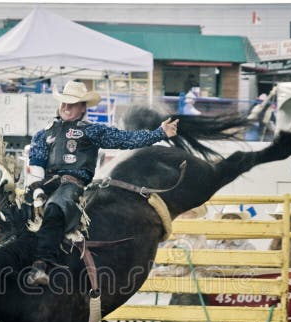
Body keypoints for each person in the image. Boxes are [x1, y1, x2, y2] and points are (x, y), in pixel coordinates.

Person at [25, 80, 179, 286]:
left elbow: (124, 139)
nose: (65, 107)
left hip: (71, 186)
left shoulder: (92, 131)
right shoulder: (45, 132)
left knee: (55, 208)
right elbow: (36, 160)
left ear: (82, 108)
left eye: (71, 104)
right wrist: (35, 187)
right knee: (14, 209)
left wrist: (159, 133)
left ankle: (41, 265)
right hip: (45, 183)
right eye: (64, 102)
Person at [268, 204, 291, 268]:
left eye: (283, 219)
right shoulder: (277, 237)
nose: (279, 222)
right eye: (277, 218)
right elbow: (268, 262)